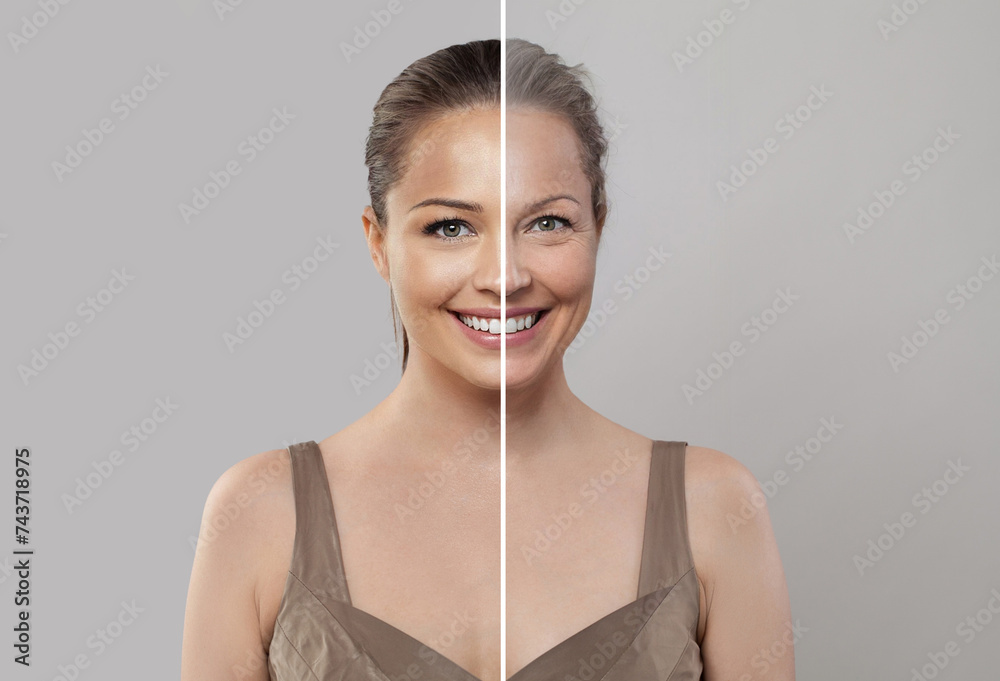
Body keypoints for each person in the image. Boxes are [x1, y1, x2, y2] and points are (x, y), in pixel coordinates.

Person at [181, 36, 796, 681]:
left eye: (546, 223)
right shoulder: (257, 513)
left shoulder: (715, 507)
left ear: (598, 228)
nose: (504, 277)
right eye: (450, 227)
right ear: (378, 243)